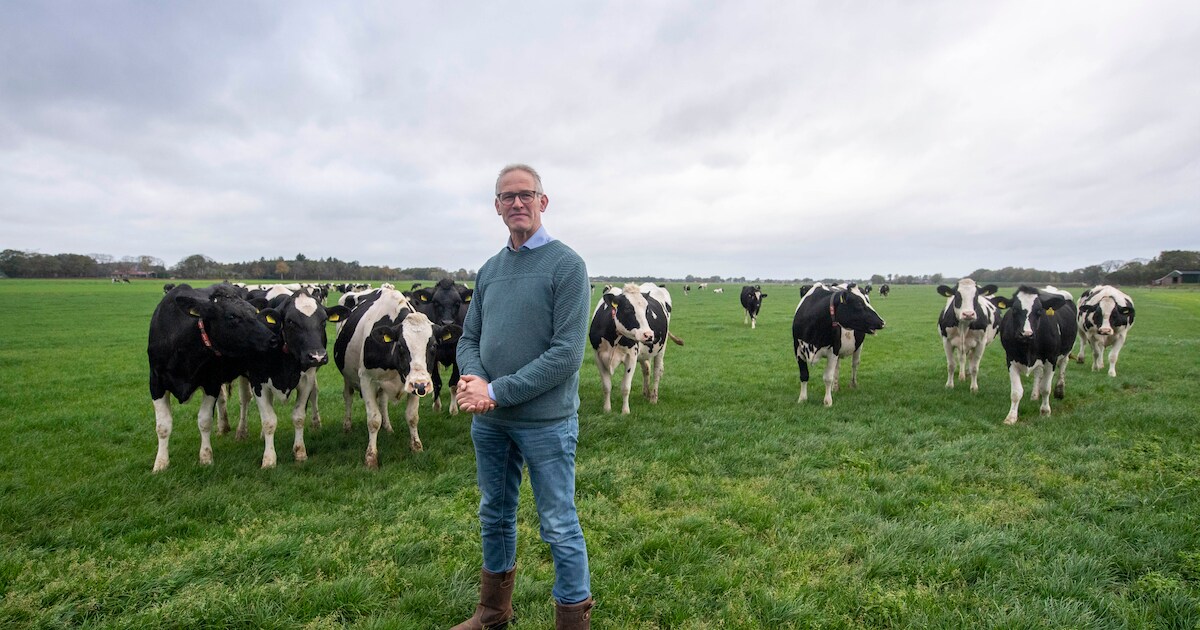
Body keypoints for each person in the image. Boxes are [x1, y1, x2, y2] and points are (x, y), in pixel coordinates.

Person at [452, 164, 593, 629]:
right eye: (507, 197)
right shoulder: (490, 270)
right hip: (490, 422)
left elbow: (566, 354)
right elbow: (469, 338)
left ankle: (572, 622)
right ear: (496, 207)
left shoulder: (567, 265)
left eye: (525, 195)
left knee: (558, 524)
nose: (517, 203)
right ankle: (492, 612)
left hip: (547, 422)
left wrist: (495, 390)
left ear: (543, 202)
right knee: (494, 513)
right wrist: (474, 380)